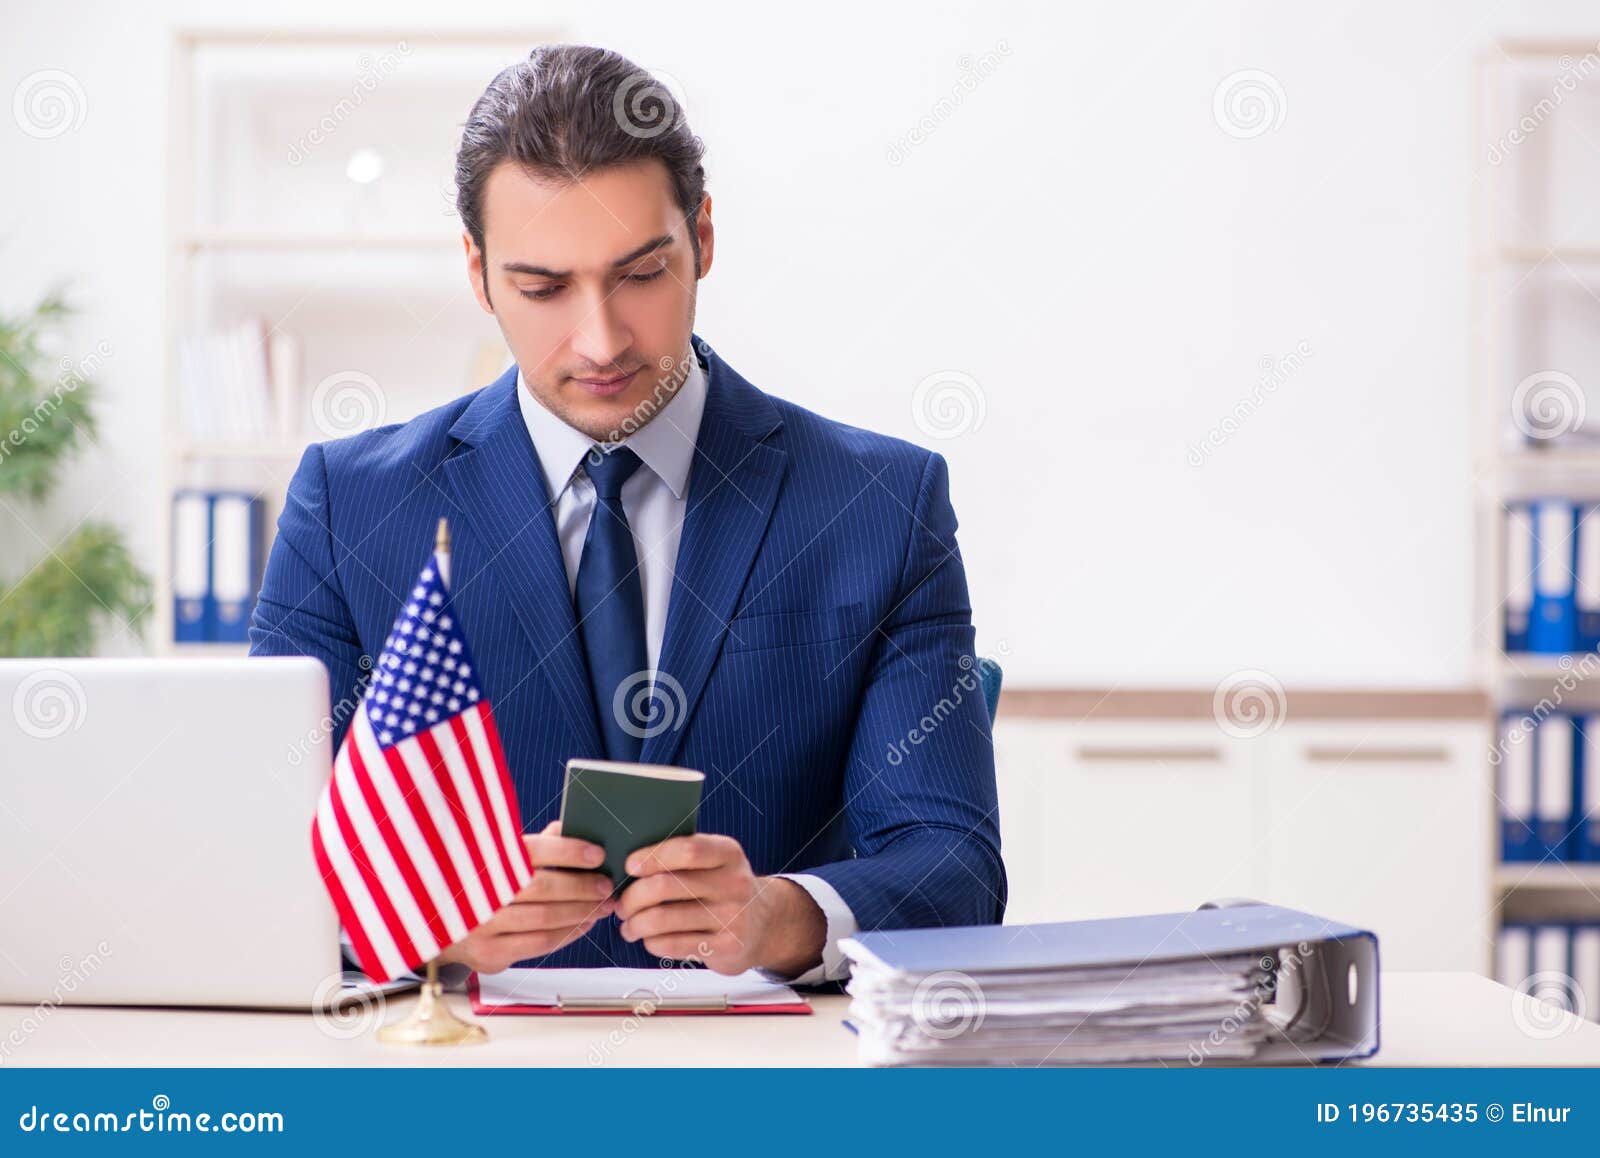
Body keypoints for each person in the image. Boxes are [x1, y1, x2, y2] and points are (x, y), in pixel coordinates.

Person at [249, 43, 1004, 985]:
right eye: (542, 288)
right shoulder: (349, 506)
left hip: (766, 1081)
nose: (601, 341)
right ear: (479, 274)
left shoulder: (879, 506)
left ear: (705, 241)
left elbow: (955, 867)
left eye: (641, 274)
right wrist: (417, 932)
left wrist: (786, 916)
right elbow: (254, 870)